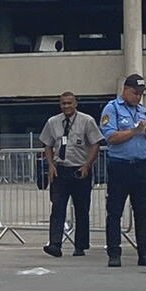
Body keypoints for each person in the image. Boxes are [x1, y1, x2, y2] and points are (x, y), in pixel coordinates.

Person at [99, 73, 146, 268]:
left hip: (142, 166)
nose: (139, 97)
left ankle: (144, 253)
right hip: (121, 165)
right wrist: (134, 131)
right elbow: (110, 137)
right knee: (115, 210)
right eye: (135, 93)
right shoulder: (112, 109)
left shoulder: (144, 111)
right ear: (125, 90)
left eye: (141, 94)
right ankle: (114, 253)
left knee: (142, 211)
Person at [38, 91, 102, 258]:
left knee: (82, 209)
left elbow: (96, 143)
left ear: (75, 104)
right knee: (57, 208)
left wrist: (88, 164)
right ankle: (54, 244)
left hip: (80, 169)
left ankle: (80, 246)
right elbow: (47, 144)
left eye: (69, 103)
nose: (66, 106)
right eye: (63, 103)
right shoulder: (53, 122)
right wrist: (51, 165)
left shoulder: (87, 121)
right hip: (61, 169)